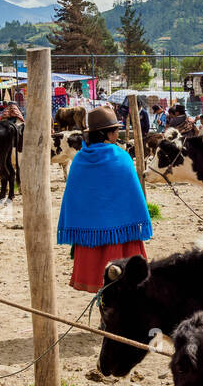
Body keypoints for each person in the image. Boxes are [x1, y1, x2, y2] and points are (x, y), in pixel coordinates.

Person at [57, 105, 153, 292]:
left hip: (88, 238)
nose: (118, 134)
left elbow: (74, 199)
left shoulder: (79, 160)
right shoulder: (122, 157)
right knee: (125, 288)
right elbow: (133, 196)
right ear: (107, 134)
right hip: (121, 238)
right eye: (116, 131)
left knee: (101, 291)